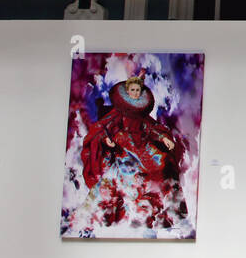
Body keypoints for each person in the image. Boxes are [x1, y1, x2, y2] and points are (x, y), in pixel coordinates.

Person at [79, 74, 185, 229]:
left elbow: (151, 128)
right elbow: (104, 127)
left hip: (142, 145)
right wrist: (107, 140)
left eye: (138, 90)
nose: (136, 93)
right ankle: (121, 210)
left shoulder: (142, 113)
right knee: (124, 174)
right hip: (123, 147)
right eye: (133, 90)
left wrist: (163, 138)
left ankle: (161, 210)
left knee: (162, 163)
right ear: (127, 91)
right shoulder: (119, 111)